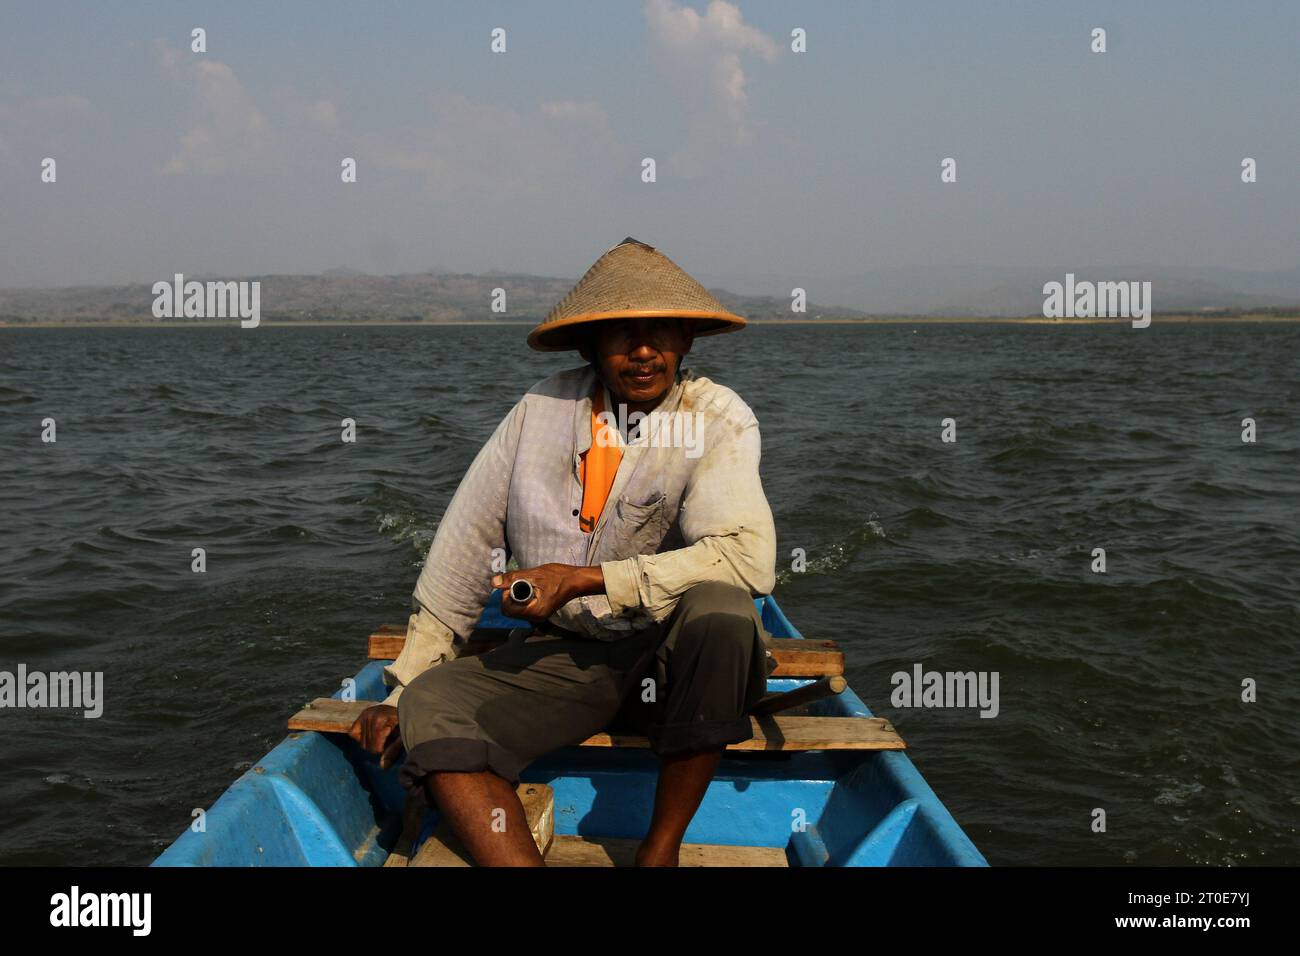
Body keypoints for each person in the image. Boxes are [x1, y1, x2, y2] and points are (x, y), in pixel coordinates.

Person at [349, 236, 777, 866]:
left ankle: (659, 852)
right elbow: (462, 552)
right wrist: (401, 689)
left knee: (723, 613)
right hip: (569, 659)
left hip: (676, 663)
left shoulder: (717, 416)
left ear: (685, 339)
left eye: (660, 331)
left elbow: (747, 559)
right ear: (588, 347)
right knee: (428, 706)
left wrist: (585, 578)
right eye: (620, 335)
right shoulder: (540, 410)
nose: (641, 351)